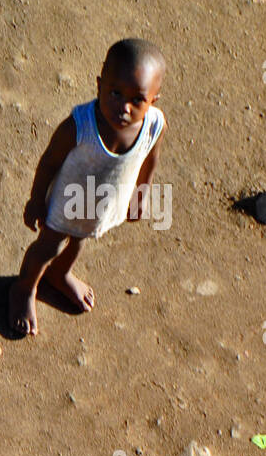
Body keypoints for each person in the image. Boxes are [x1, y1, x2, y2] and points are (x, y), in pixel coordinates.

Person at [9, 38, 166, 337]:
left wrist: (141, 195)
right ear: (99, 85)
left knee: (80, 241)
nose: (123, 107)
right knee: (49, 246)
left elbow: (150, 159)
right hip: (67, 203)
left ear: (153, 101)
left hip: (103, 205)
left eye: (137, 100)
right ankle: (24, 287)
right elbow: (49, 162)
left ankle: (60, 274)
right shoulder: (79, 126)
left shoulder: (154, 125)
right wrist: (36, 200)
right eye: (115, 93)